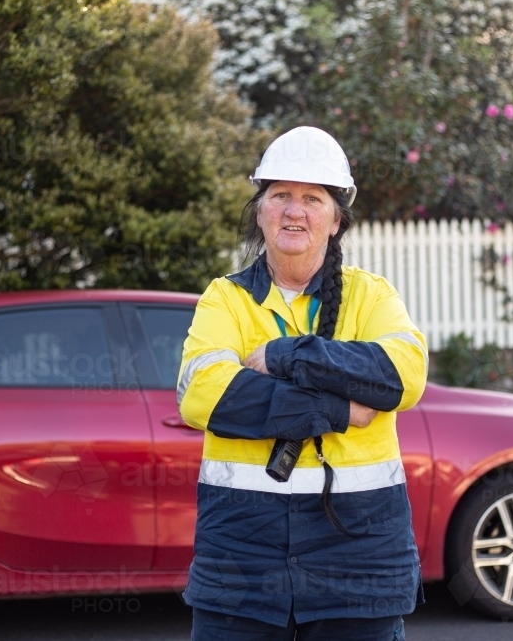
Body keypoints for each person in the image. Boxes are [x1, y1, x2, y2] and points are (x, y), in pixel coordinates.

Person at [177, 126, 428, 641]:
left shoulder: (372, 297)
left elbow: (402, 376)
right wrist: (338, 411)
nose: (295, 211)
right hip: (242, 565)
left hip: (359, 565)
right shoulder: (223, 299)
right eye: (281, 196)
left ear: (336, 219)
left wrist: (283, 353)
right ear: (261, 210)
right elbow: (204, 394)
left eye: (313, 198)